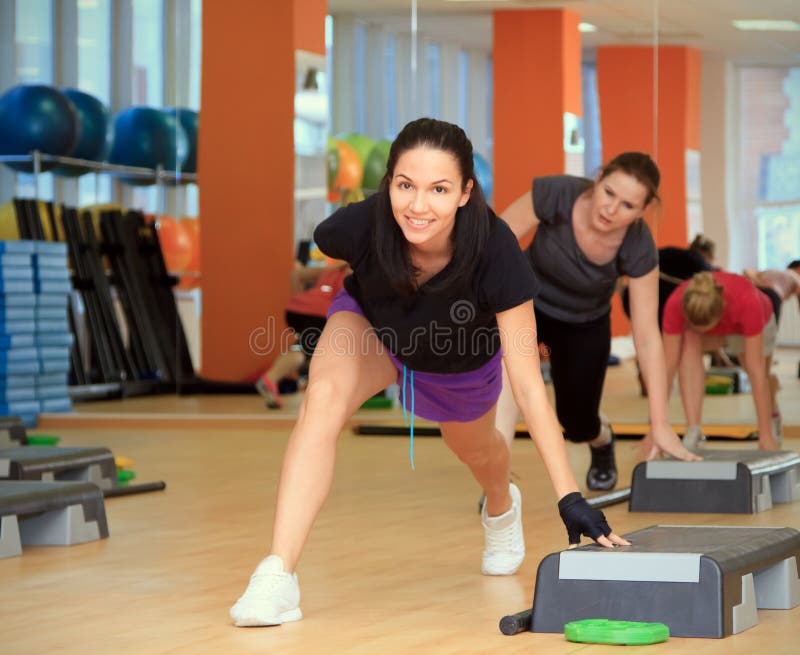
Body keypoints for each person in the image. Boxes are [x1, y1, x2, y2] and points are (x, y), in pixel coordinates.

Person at [230, 118, 629, 628]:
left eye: (439, 189)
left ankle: (501, 504)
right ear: (389, 183)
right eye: (405, 186)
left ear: (465, 192)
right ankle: (277, 574)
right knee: (321, 399)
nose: (418, 206)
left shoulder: (496, 250)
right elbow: (333, 239)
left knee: (478, 453)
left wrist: (569, 498)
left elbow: (528, 385)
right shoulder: (363, 225)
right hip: (375, 328)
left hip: (458, 359)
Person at [494, 153, 698, 492]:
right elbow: (497, 241)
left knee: (576, 423)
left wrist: (659, 423)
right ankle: (497, 482)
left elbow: (647, 337)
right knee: (509, 379)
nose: (611, 209)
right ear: (598, 179)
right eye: (609, 193)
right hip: (527, 303)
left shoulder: (639, 246)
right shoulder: (556, 193)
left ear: (642, 211)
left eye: (628, 205)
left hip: (584, 323)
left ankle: (600, 440)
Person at [662, 270, 782, 450]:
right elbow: (667, 370)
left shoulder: (748, 302)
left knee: (758, 373)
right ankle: (694, 431)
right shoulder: (676, 302)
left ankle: (771, 418)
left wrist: (764, 435)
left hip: (759, 321)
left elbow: (756, 375)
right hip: (720, 326)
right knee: (689, 339)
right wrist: (655, 427)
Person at [255, 260, 349, 409]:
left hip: (295, 311)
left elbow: (296, 275)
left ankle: (272, 383)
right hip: (318, 314)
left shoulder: (332, 271)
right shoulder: (351, 274)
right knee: (304, 351)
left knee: (308, 349)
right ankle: (270, 379)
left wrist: (301, 301)